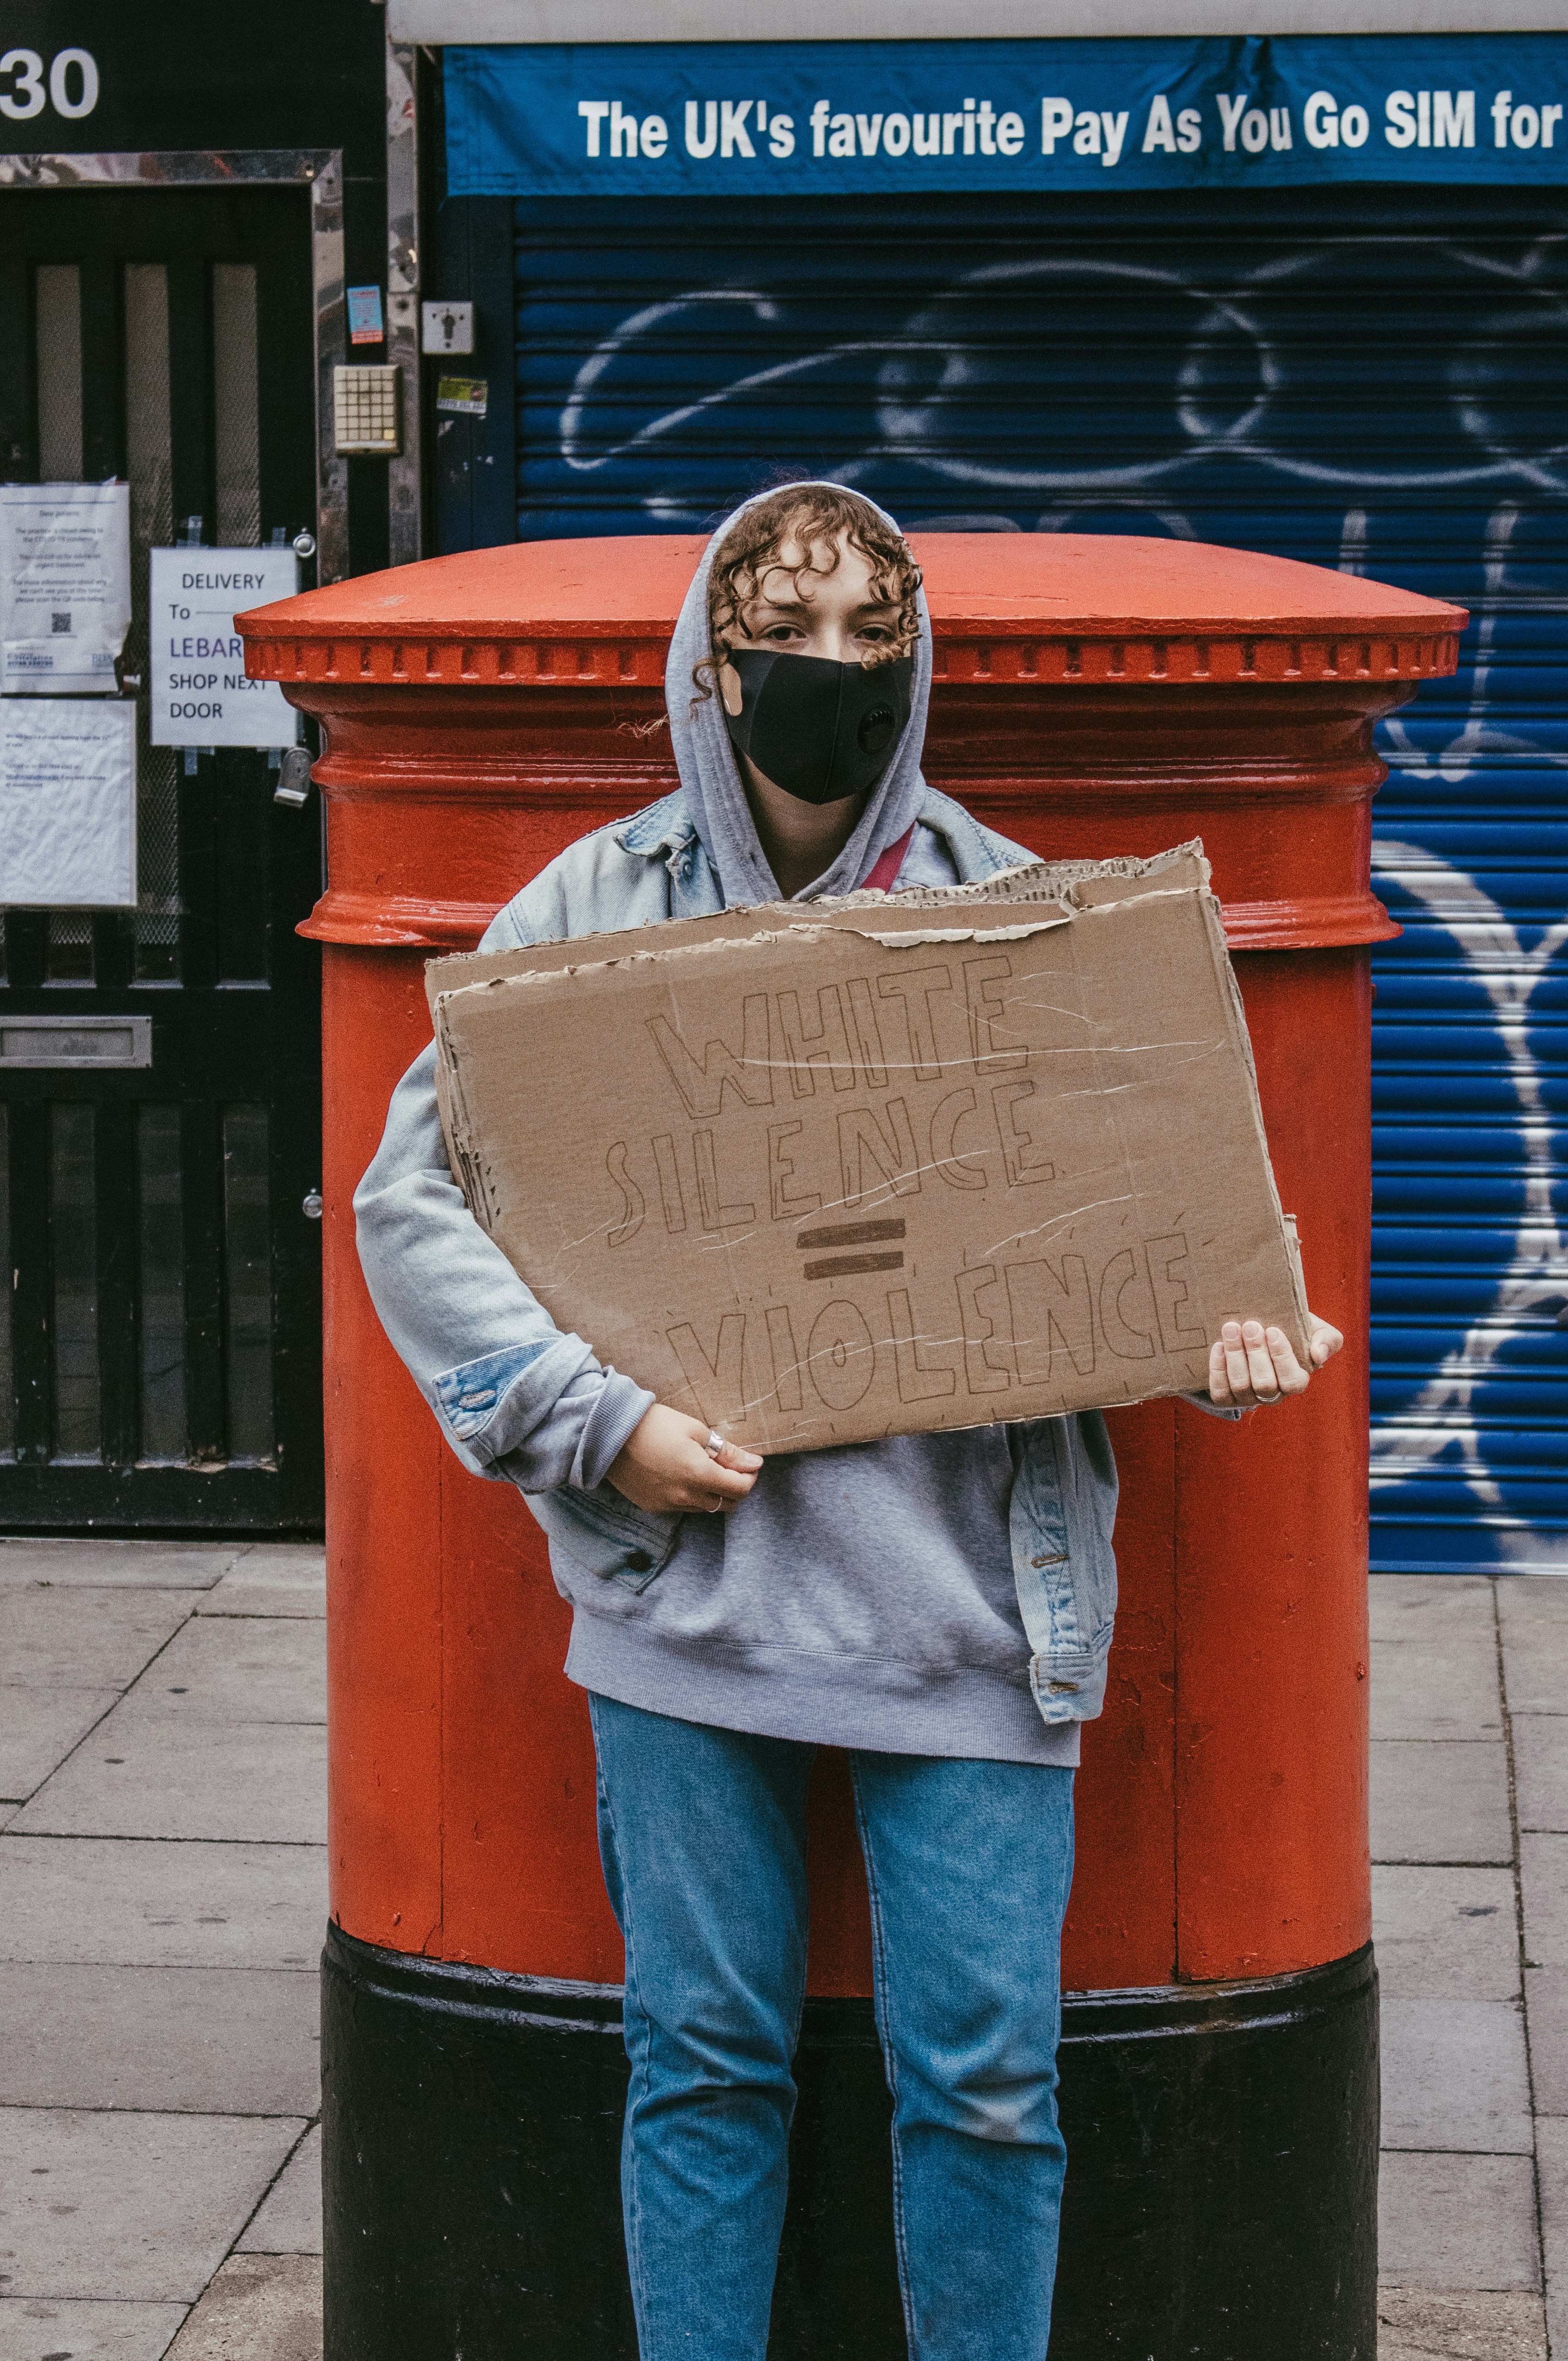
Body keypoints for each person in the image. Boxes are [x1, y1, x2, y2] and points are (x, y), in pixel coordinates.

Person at [355, 482, 1344, 2361]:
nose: (830, 678)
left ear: (919, 665)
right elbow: (416, 1202)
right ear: (705, 673)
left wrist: (1210, 1331)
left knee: (984, 2086)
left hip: (967, 1613)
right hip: (686, 1606)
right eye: (786, 642)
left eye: (871, 644)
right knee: (700, 2066)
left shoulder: (1009, 914)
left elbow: (1151, 1223)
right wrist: (587, 1419)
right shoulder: (588, 905)